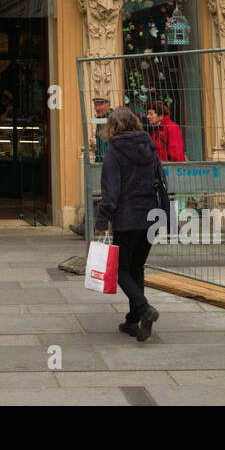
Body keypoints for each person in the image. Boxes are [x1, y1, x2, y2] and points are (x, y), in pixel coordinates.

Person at [94, 107, 169, 342]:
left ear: (113, 127)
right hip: (150, 217)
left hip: (127, 219)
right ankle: (133, 320)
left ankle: (145, 309)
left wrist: (101, 220)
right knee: (136, 268)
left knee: (120, 270)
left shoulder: (114, 151)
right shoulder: (149, 146)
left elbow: (111, 191)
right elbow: (161, 180)